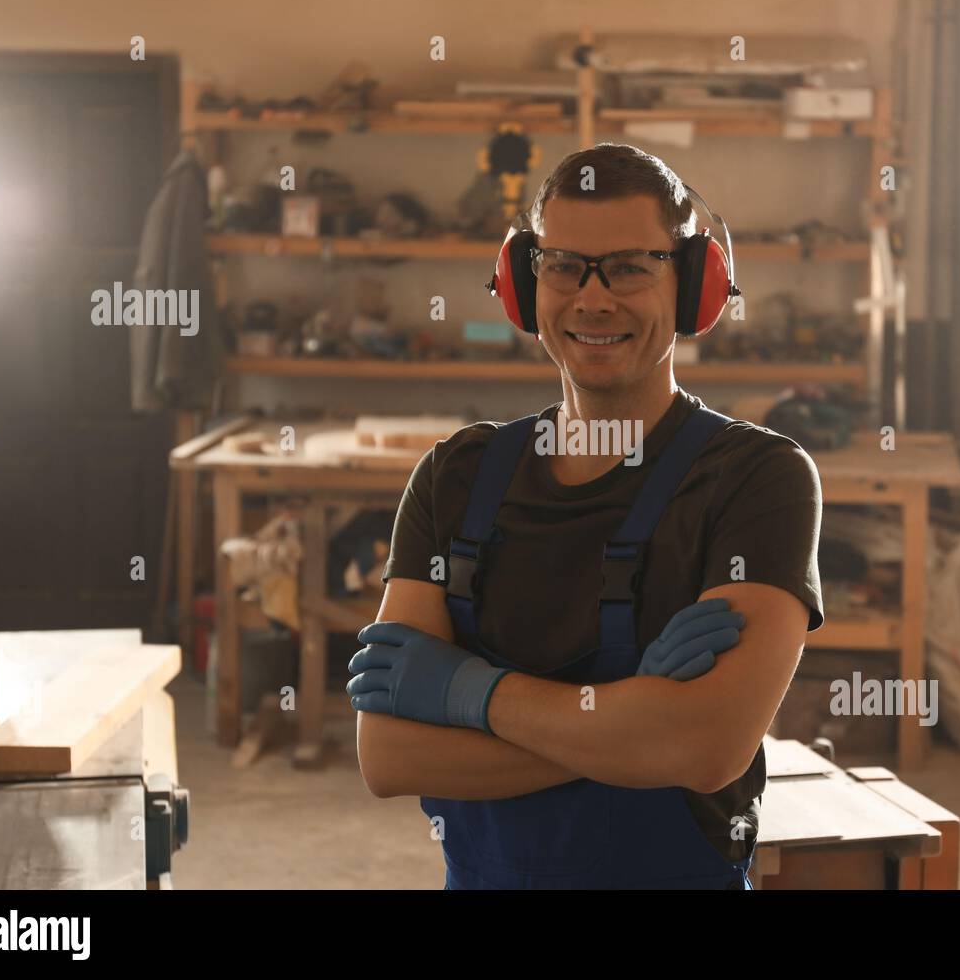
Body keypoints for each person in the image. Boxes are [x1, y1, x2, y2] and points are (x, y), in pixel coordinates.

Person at [348, 142, 824, 889]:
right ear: (522, 284)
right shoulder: (455, 477)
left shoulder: (757, 478)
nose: (593, 298)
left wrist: (465, 693)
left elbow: (706, 749)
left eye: (631, 266)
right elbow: (389, 756)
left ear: (694, 284)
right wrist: (635, 721)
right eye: (564, 265)